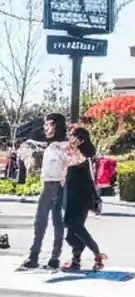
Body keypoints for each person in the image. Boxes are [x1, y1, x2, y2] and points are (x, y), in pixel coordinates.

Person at [18, 113, 69, 271]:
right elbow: (33, 146)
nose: (46, 128)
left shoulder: (65, 146)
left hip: (59, 186)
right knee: (40, 222)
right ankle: (34, 256)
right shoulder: (49, 145)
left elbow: (69, 166)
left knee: (57, 222)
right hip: (47, 186)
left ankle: (55, 257)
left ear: (58, 126)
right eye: (45, 125)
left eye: (50, 125)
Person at [61, 127, 105, 271]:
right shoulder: (79, 155)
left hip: (80, 197)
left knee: (73, 226)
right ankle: (76, 261)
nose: (70, 138)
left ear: (81, 140)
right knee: (72, 233)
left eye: (73, 136)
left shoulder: (80, 156)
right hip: (74, 196)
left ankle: (97, 253)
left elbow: (67, 156)